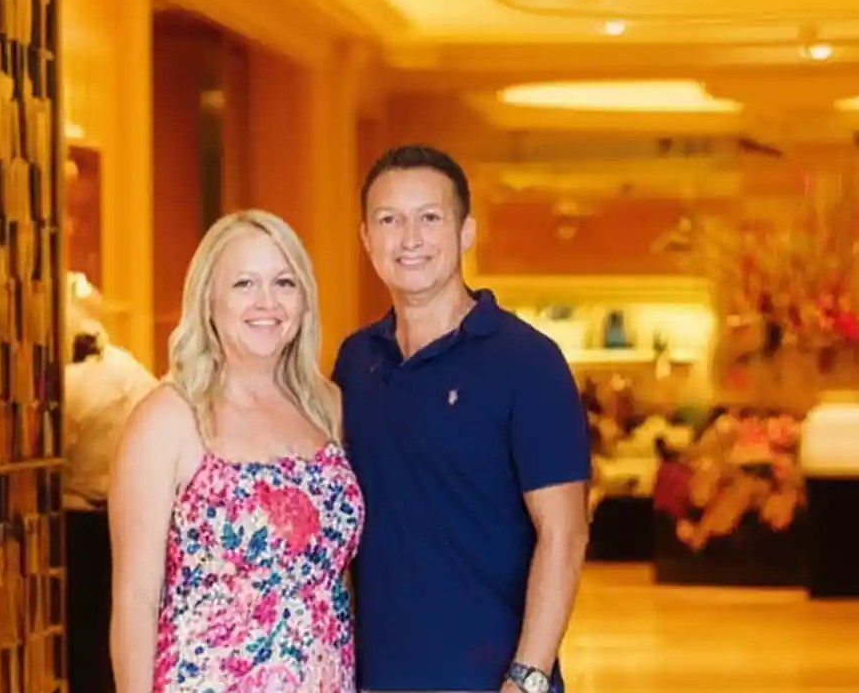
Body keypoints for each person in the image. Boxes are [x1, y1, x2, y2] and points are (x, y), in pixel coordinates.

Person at [333, 145, 591, 693]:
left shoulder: (527, 361)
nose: (409, 240)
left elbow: (564, 534)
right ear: (365, 238)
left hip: (492, 679)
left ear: (466, 231)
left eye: (429, 217)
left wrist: (528, 677)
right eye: (388, 220)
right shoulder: (356, 361)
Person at [109, 210, 364, 692]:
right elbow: (135, 599)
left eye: (284, 283)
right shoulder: (168, 418)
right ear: (208, 300)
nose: (266, 302)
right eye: (244, 283)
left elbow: (340, 579)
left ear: (304, 299)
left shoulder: (326, 406)